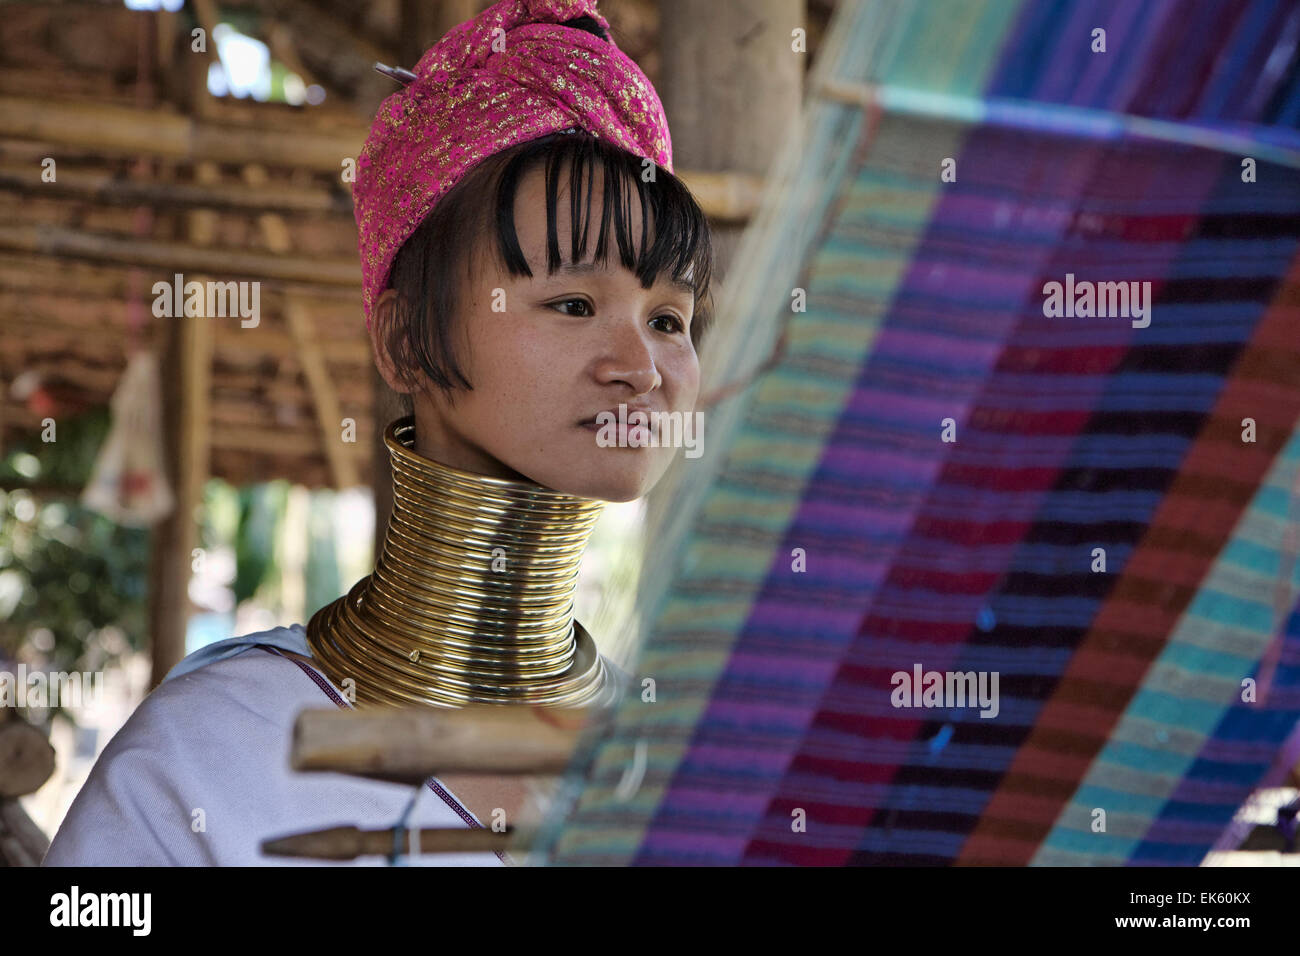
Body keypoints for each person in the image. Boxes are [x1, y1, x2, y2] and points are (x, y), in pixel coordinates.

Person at [42, 0, 713, 866]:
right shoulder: (207, 759)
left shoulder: (677, 773)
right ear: (405, 341)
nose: (643, 366)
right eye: (576, 304)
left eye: (669, 317)